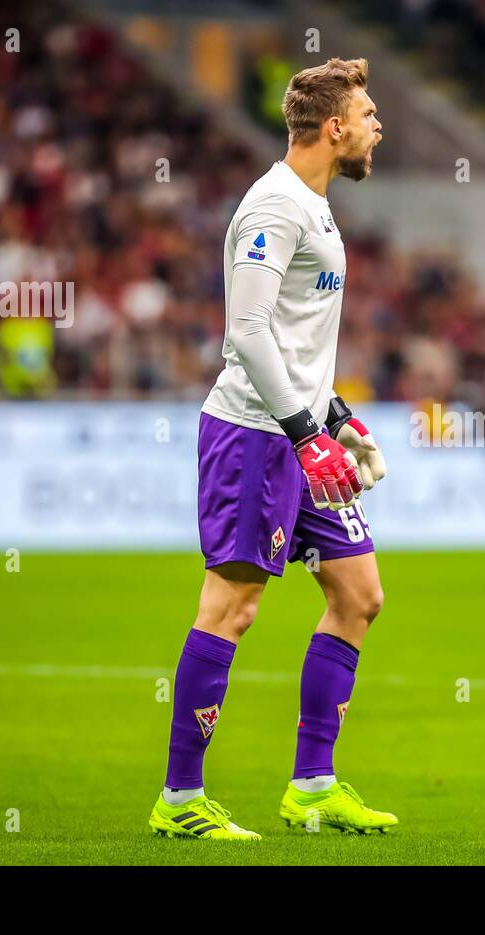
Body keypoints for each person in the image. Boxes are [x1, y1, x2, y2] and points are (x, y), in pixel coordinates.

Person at [150, 57, 397, 841]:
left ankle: (313, 786)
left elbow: (293, 341)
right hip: (255, 436)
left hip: (303, 431)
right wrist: (303, 434)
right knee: (233, 607)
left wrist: (340, 421)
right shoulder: (274, 207)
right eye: (367, 114)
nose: (376, 126)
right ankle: (180, 800)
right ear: (334, 128)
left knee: (358, 596)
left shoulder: (316, 208)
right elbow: (247, 333)